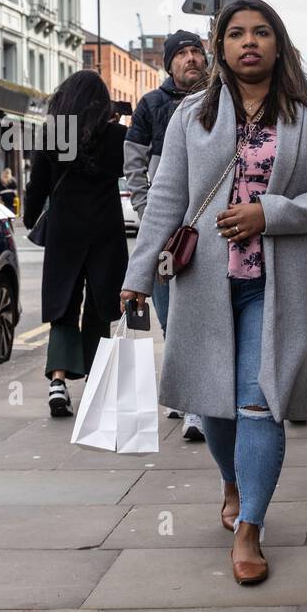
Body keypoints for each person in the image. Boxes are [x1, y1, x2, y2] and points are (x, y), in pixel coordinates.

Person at [120, 0, 307, 586]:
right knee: (213, 404)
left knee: (259, 400)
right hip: (203, 285)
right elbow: (166, 201)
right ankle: (231, 479)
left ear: (279, 44)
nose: (250, 42)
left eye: (262, 32)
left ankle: (250, 525)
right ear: (221, 47)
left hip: (276, 287)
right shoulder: (189, 118)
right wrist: (136, 276)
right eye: (237, 33)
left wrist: (268, 214)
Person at [23, 71, 129, 417]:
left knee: (63, 305)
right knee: (99, 305)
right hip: (106, 231)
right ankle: (97, 383)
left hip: (64, 231)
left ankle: (57, 383)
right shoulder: (116, 136)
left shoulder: (54, 135)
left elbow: (36, 186)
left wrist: (31, 219)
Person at [123, 29, 210, 440]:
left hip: (208, 228)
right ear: (169, 63)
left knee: (198, 317)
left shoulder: (218, 100)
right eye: (183, 54)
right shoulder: (152, 105)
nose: (192, 59)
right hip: (165, 232)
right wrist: (146, 212)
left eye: (197, 52)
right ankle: (184, 393)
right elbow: (133, 165)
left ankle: (196, 405)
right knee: (169, 315)